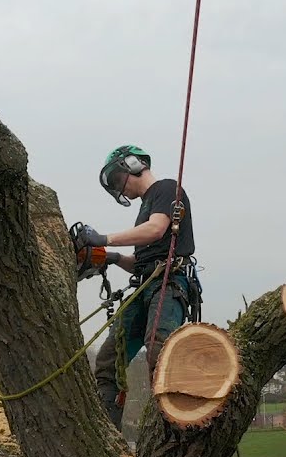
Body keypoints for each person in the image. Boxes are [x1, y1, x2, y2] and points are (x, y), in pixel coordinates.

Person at [75, 145, 199, 430]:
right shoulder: (143, 209)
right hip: (146, 285)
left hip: (169, 284)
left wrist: (103, 238)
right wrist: (114, 258)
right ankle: (108, 435)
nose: (121, 189)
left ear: (133, 164)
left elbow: (156, 230)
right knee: (108, 360)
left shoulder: (167, 189)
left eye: (119, 180)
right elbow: (144, 260)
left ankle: (169, 429)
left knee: (158, 352)